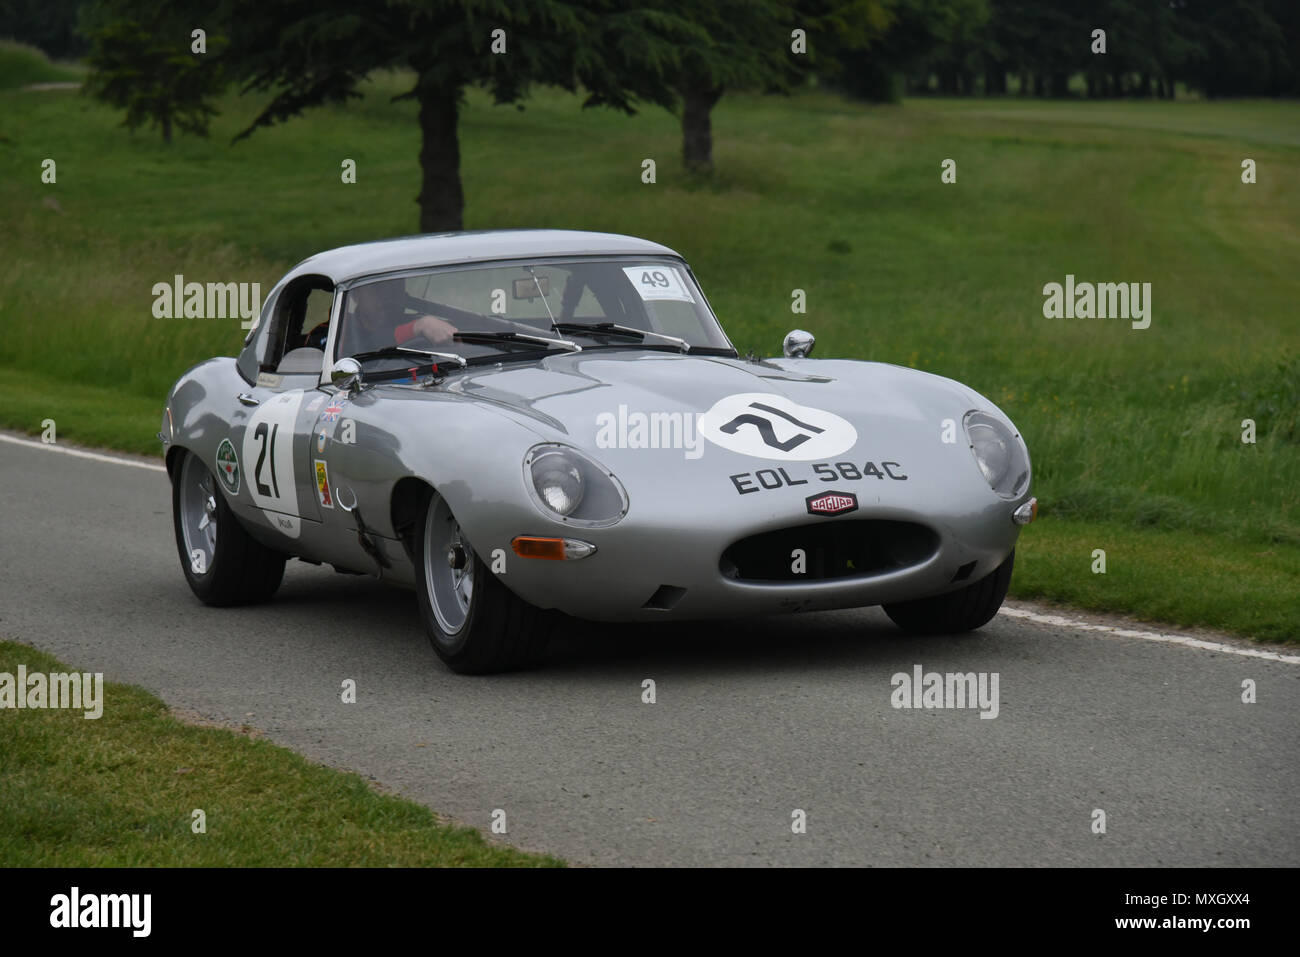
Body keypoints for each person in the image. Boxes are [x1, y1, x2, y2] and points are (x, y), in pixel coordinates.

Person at [304, 280, 458, 354]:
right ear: (356, 295)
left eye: (394, 287)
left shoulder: (425, 325)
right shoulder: (330, 334)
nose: (386, 297)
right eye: (377, 289)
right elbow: (363, 347)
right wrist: (417, 327)